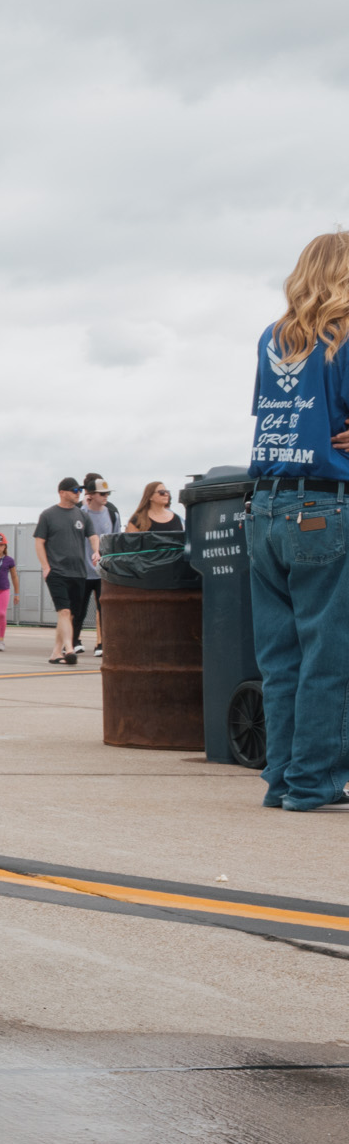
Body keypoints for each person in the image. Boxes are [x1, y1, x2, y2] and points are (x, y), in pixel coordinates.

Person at [245, 231, 349, 812]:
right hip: (327, 505)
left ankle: (282, 777)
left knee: (281, 657)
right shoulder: (347, 334)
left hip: (263, 507)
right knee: (330, 654)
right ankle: (316, 783)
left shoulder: (274, 336)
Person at [33, 479, 90, 666]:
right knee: (64, 611)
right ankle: (70, 649)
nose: (78, 493)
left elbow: (93, 535)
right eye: (74, 490)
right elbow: (39, 541)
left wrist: (97, 551)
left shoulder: (82, 515)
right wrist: (45, 566)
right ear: (62, 492)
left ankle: (56, 652)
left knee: (69, 615)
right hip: (56, 571)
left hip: (79, 572)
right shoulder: (48, 515)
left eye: (80, 490)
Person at [80, 473, 117, 656]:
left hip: (103, 569)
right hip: (82, 568)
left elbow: (115, 539)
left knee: (102, 607)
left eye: (106, 493)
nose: (105, 497)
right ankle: (73, 640)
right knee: (79, 606)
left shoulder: (111, 512)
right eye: (101, 493)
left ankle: (101, 642)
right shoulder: (80, 511)